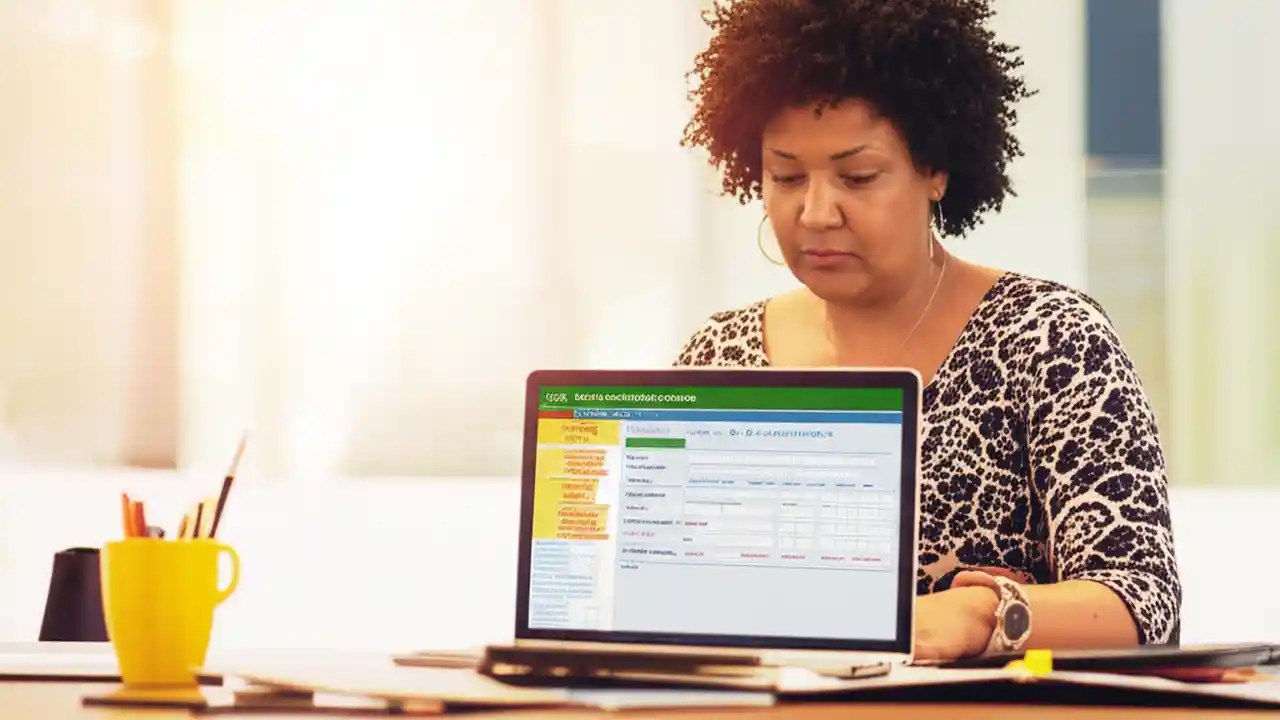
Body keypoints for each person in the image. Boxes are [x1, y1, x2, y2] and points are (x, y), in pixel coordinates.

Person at [674, 0, 1180, 660]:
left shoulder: (1050, 340)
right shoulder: (721, 356)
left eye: (859, 177)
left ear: (935, 168)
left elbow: (1142, 598)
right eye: (787, 175)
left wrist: (981, 614)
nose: (816, 212)